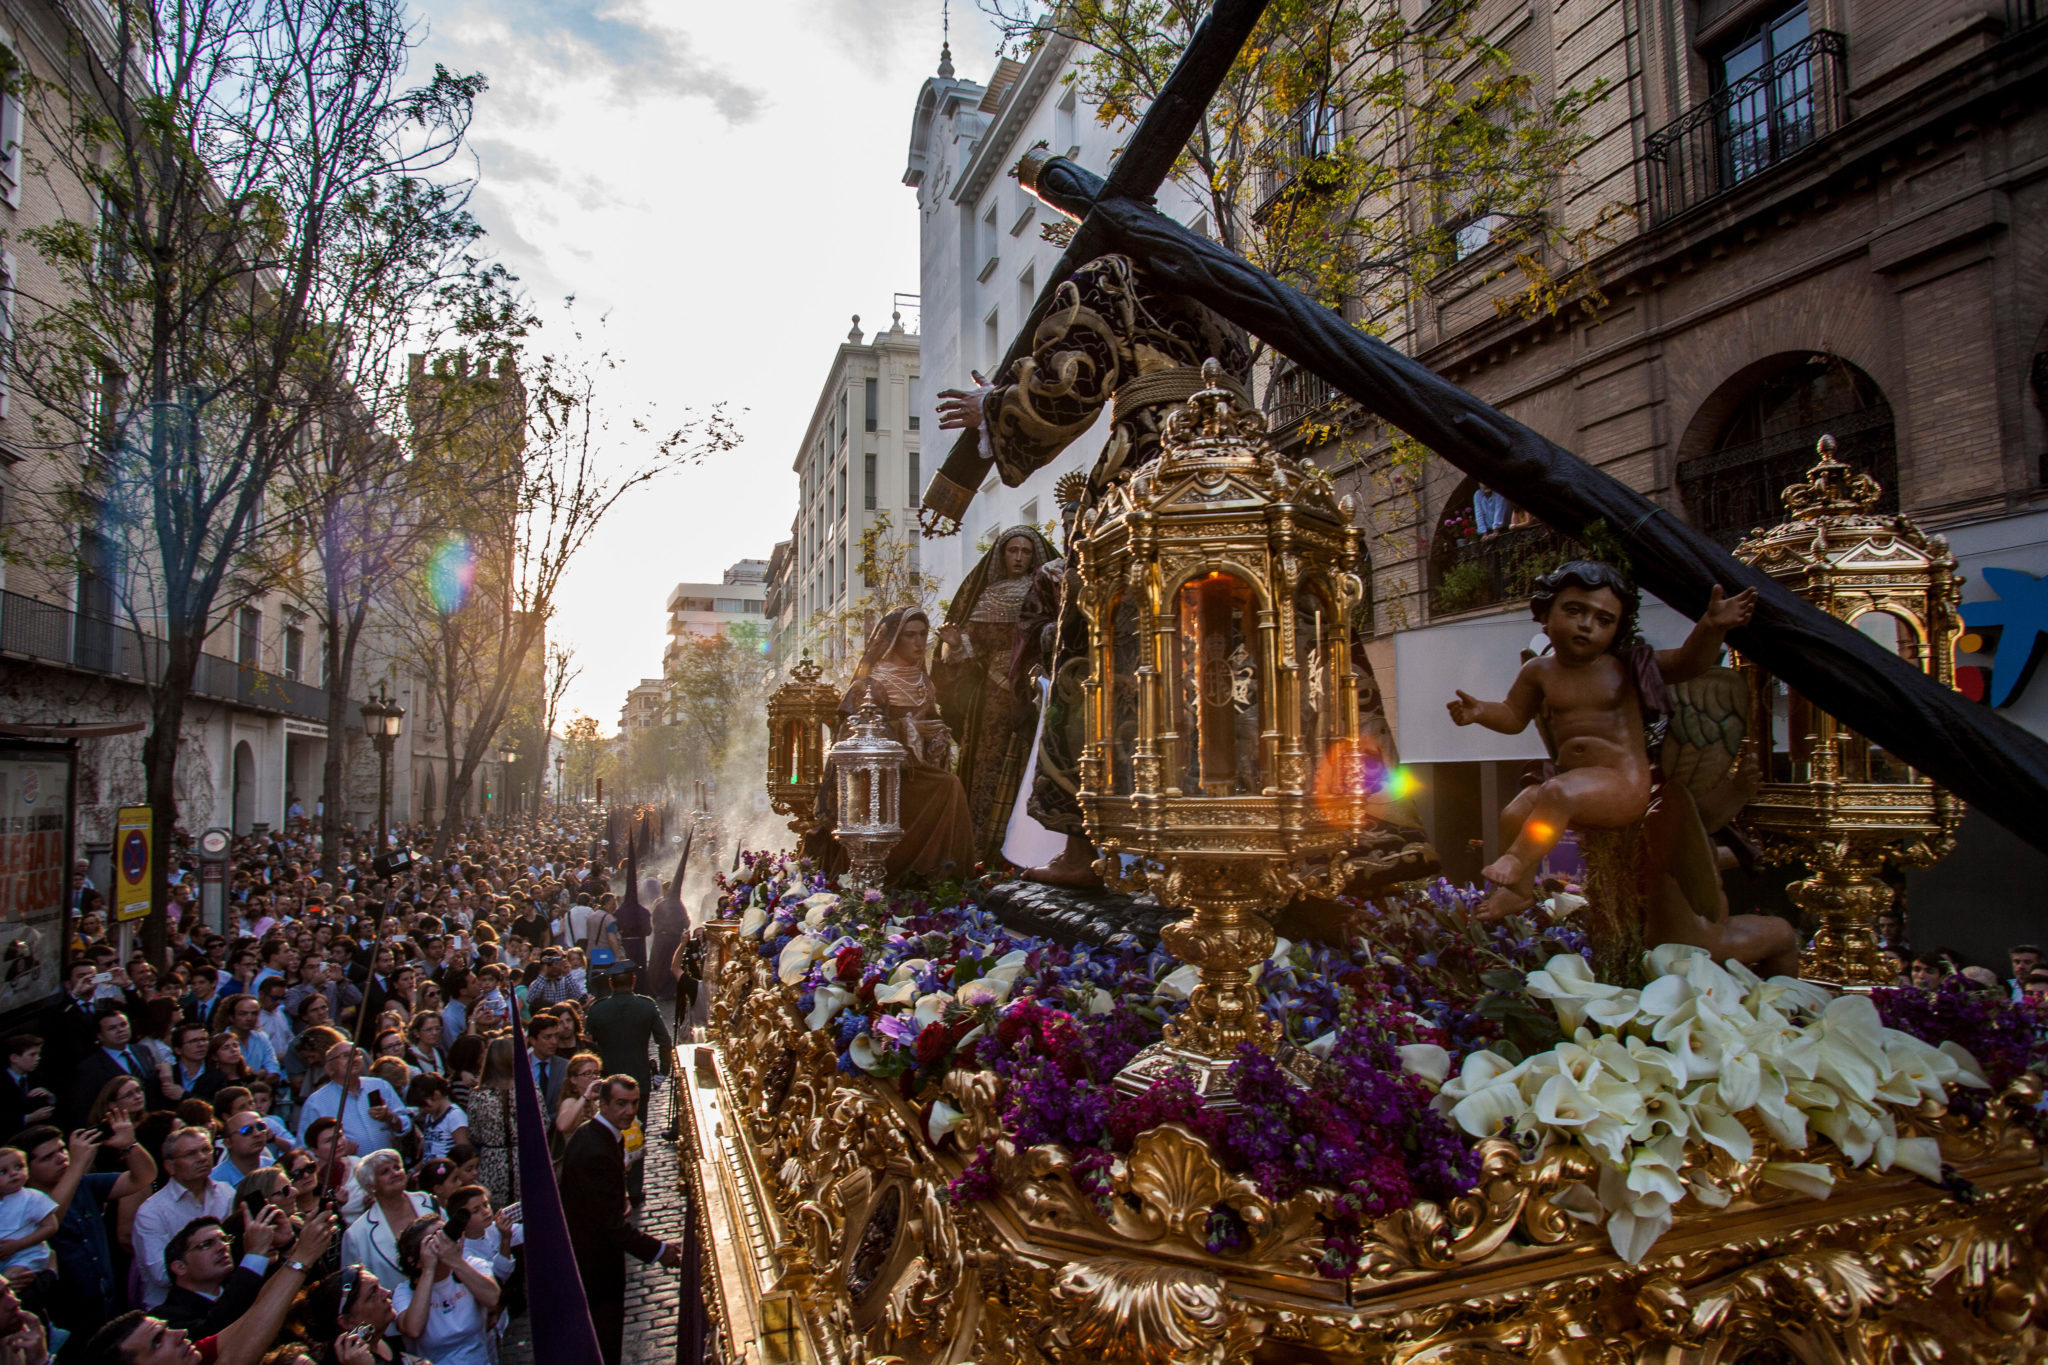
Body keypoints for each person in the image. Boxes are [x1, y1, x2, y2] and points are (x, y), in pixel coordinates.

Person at [801, 609, 976, 884]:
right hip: (876, 779)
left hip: (915, 771)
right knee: (949, 787)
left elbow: (934, 718)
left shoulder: (922, 681)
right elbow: (849, 734)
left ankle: (936, 874)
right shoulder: (869, 684)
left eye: (922, 635)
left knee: (950, 785)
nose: (919, 642)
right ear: (893, 639)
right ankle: (916, 874)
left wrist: (936, 733)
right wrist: (909, 729)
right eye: (910, 635)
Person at [935, 525, 1056, 862]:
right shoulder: (987, 597)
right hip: (993, 694)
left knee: (1034, 763)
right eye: (1012, 550)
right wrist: (956, 644)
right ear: (1001, 555)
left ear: (1035, 556)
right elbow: (971, 650)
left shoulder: (1046, 594)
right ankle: (986, 847)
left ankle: (1036, 847)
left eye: (1026, 552)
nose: (1018, 557)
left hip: (1035, 691)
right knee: (988, 760)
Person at [78, 1210, 334, 1365]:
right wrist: (300, 1258)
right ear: (178, 1266)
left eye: (224, 1240)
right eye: (157, 1342)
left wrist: (294, 1249)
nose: (180, 1334)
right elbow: (235, 1355)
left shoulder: (194, 1351)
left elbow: (254, 1319)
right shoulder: (171, 1312)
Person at [559, 1077, 682, 1365]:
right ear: (602, 1104)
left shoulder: (593, 1134)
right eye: (621, 1104)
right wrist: (659, 1251)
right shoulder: (598, 1149)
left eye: (634, 1104)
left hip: (590, 1251)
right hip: (595, 1261)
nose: (629, 1111)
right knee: (604, 1336)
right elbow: (610, 1225)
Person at [21, 1119, 155, 1340]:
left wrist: (129, 1145)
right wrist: (77, 1165)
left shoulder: (84, 1184)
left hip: (107, 1309)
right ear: (27, 1169)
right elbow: (50, 1219)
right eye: (48, 1157)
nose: (61, 1158)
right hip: (65, 1321)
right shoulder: (22, 1205)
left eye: (62, 1149)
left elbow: (143, 1177)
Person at [133, 1127, 238, 1308]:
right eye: (191, 1154)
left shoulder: (226, 1193)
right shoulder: (151, 1212)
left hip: (224, 1300)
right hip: (173, 1312)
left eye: (206, 1150)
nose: (202, 1158)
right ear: (170, 1166)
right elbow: (161, 1274)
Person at [390, 1216, 497, 1365]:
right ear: (415, 1257)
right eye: (437, 1238)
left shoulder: (471, 1266)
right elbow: (413, 1330)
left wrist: (456, 1261)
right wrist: (428, 1269)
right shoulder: (404, 1292)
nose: (447, 1241)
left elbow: (492, 1299)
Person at [156, 1213, 278, 1337]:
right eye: (207, 1244)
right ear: (180, 1267)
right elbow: (214, 1330)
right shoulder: (166, 1318)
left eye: (225, 1240)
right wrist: (255, 1254)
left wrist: (288, 1246)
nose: (223, 1246)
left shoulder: (243, 1283)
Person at [338, 1152, 429, 1293]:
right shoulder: (356, 1235)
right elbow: (353, 1289)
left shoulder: (428, 1202)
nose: (394, 1173)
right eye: (384, 1172)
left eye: (397, 1167)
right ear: (370, 1186)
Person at [296, 1043, 411, 1155]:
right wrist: (338, 1156)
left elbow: (406, 1124)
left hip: (388, 1166)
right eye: (345, 1056)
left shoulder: (380, 1085)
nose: (353, 1059)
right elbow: (305, 1149)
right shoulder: (316, 1102)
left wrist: (390, 1117)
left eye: (356, 1054)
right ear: (330, 1068)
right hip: (348, 1171)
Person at [460, 1040, 517, 1207]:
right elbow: (544, 1124)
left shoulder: (479, 1095)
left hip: (491, 1163)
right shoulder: (530, 1090)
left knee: (494, 1213)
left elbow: (474, 1133)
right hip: (523, 1160)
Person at [0, 1038, 53, 1139]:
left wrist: (50, 1098)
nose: (38, 1058)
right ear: (14, 1058)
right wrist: (29, 1118)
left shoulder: (39, 1076)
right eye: (32, 1055)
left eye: (38, 1054)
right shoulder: (2, 1083)